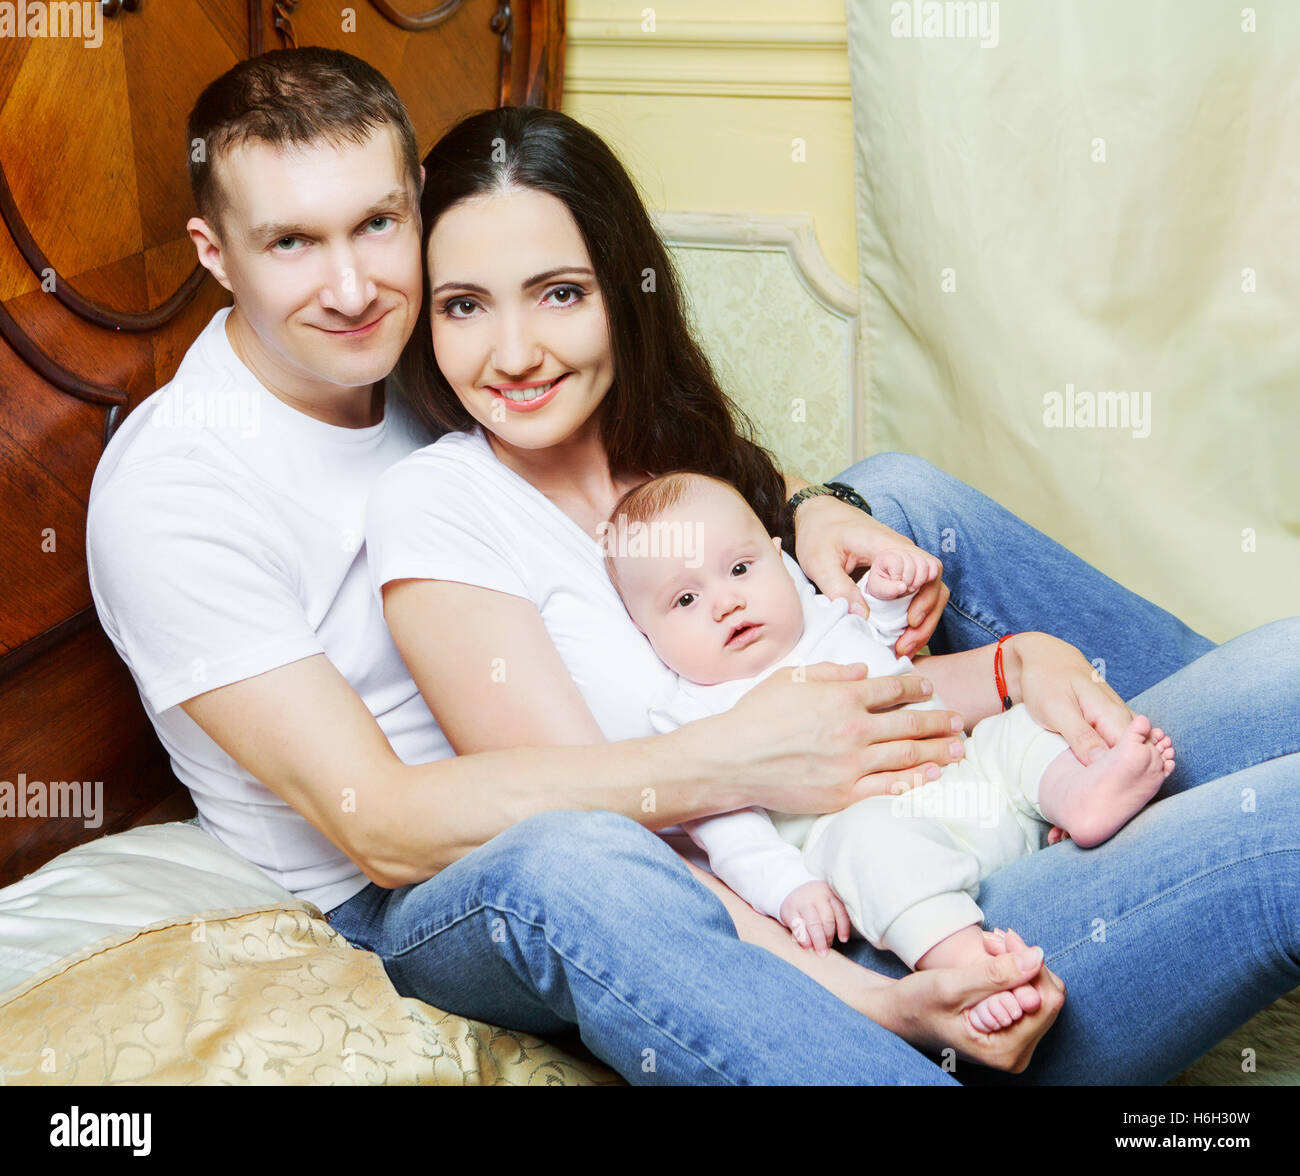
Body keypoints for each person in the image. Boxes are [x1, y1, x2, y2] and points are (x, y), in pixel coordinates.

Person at [86, 47, 1071, 1084]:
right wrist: (740, 771)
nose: (349, 285)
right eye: (290, 241)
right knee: (574, 856)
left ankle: (1130, 750)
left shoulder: (427, 363)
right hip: (411, 888)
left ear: (417, 209)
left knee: (902, 490)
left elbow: (629, 484)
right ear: (214, 251)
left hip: (591, 750)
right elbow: (379, 830)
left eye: (376, 225)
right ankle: (883, 1025)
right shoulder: (177, 490)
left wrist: (817, 514)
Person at [362, 100, 1300, 1085]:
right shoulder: (442, 503)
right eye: (462, 305)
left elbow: (853, 680)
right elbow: (613, 869)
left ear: (623, 293)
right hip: (859, 927)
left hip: (970, 802)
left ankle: (1103, 789)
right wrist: (883, 1005)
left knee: (1277, 663)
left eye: (558, 294)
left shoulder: (673, 456)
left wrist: (1014, 659)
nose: (512, 354)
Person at [602, 470, 1175, 1033]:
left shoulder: (824, 618)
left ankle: (1082, 795)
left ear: (782, 561)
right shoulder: (692, 717)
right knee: (865, 845)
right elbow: (731, 835)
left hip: (965, 775)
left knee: (1017, 730)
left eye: (740, 569)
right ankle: (964, 959)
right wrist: (788, 890)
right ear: (643, 632)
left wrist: (889, 589)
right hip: (874, 831)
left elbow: (883, 639)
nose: (725, 601)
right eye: (684, 598)